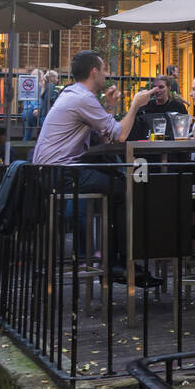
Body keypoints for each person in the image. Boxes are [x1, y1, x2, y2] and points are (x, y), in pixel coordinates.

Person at [32, 50, 153, 283]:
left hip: (49, 171)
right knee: (124, 186)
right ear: (94, 71)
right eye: (104, 69)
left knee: (119, 181)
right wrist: (136, 104)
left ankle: (115, 260)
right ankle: (118, 262)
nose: (107, 74)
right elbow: (119, 135)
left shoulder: (73, 93)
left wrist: (109, 106)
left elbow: (106, 135)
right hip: (60, 173)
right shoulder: (82, 98)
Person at [22, 68, 44, 141]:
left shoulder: (29, 84)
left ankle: (24, 146)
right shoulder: (38, 85)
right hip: (33, 111)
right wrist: (36, 108)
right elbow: (35, 98)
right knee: (43, 127)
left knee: (27, 133)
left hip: (25, 111)